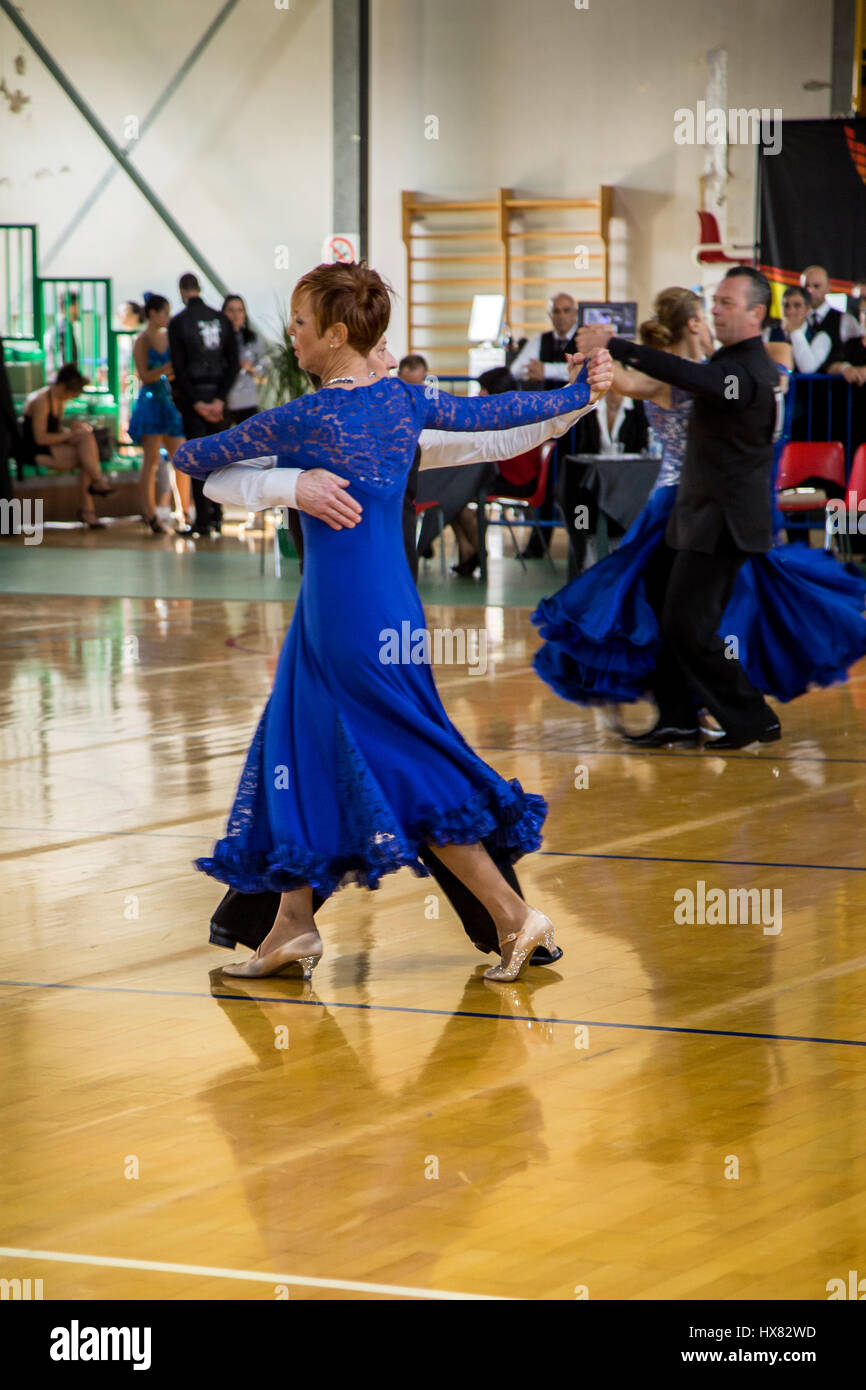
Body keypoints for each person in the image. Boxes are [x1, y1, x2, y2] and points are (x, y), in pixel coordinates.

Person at [172, 260, 603, 982]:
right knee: (304, 751)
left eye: (303, 325)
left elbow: (194, 457)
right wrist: (578, 393)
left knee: (400, 767)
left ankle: (513, 915)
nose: (293, 336)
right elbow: (501, 417)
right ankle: (291, 926)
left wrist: (289, 483)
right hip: (374, 609)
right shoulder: (406, 402)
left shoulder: (307, 417)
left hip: (346, 618)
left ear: (336, 335)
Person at [533, 280, 866, 740]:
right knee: (665, 611)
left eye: (726, 304)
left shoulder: (746, 369)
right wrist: (596, 359)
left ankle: (751, 717)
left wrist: (616, 343)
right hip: (690, 513)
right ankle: (676, 716)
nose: (716, 313)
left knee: (691, 623)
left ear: (755, 314)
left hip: (723, 521)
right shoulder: (726, 365)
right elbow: (675, 377)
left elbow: (708, 380)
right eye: (714, 305)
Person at [168, 272, 238, 536]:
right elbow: (233, 362)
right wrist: (220, 398)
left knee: (197, 459)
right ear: (199, 288)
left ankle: (203, 520)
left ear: (182, 291)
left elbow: (179, 367)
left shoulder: (179, 323)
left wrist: (196, 401)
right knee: (218, 457)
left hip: (193, 399)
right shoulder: (221, 320)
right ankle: (219, 515)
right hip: (219, 398)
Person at [20, 365, 115, 528]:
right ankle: (95, 490)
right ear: (63, 386)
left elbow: (55, 431)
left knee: (85, 444)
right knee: (86, 456)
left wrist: (73, 431)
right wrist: (70, 435)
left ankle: (90, 506)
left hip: (51, 447)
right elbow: (40, 438)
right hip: (33, 450)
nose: (69, 398)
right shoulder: (42, 401)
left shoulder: (58, 400)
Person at [128, 293, 188, 534]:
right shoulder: (142, 340)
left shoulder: (169, 337)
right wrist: (165, 370)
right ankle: (150, 513)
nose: (167, 317)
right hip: (151, 403)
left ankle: (185, 510)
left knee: (181, 458)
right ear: (152, 313)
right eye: (164, 312)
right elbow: (144, 375)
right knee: (151, 461)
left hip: (167, 401)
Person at [510, 294, 579, 387]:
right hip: (547, 398)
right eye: (556, 311)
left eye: (566, 311)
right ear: (550, 315)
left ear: (575, 313)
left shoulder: (585, 337)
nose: (561, 316)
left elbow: (583, 371)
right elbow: (516, 369)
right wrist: (531, 371)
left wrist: (546, 370)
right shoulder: (539, 339)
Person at [801, 265, 861, 371]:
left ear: (828, 288)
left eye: (816, 286)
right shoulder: (798, 318)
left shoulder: (844, 319)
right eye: (806, 287)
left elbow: (857, 354)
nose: (810, 291)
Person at [222, 294, 267, 425]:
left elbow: (263, 374)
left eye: (239, 310)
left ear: (245, 313)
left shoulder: (253, 339)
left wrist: (250, 367)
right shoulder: (218, 340)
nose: (235, 315)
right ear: (223, 313)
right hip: (223, 402)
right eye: (231, 310)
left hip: (247, 401)